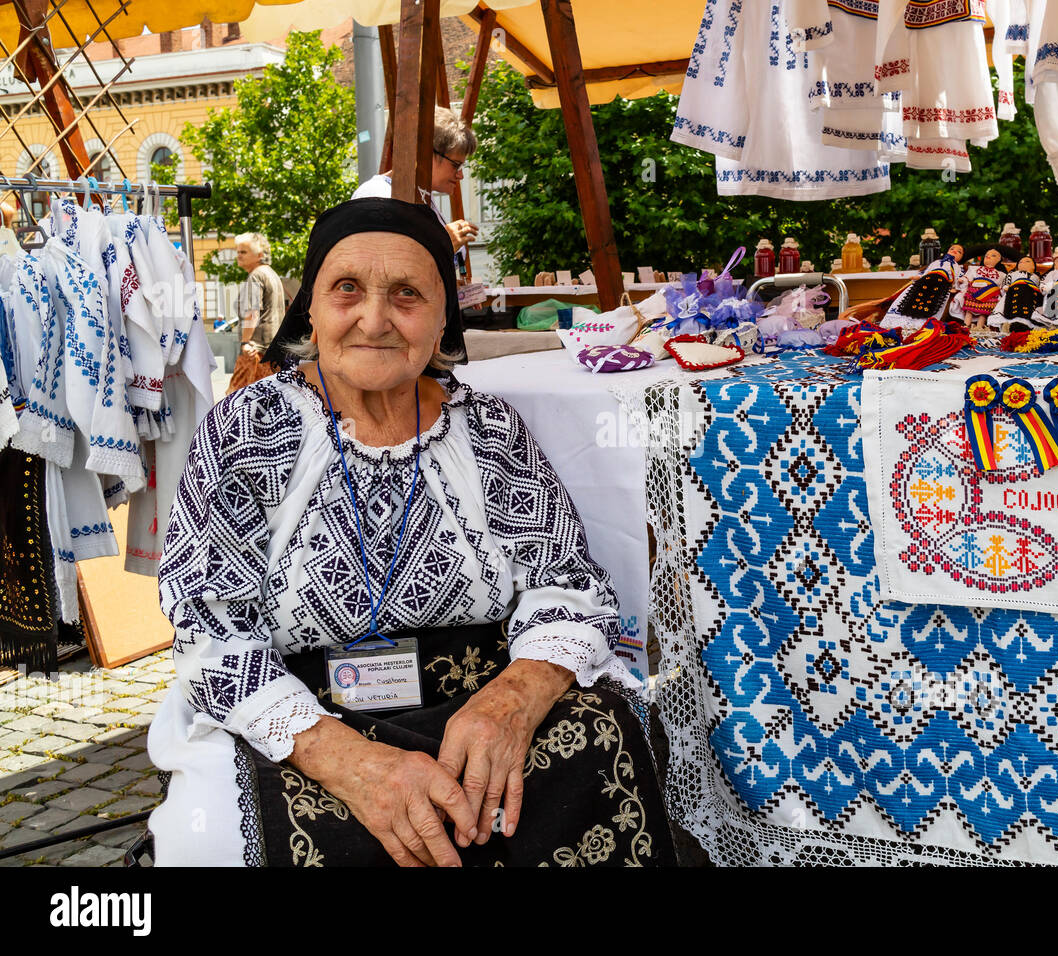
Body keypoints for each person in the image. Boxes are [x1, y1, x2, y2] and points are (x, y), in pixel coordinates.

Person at [146, 198, 675, 867]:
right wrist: (346, 759)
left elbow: (566, 580)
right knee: (209, 833)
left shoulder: (488, 429)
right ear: (310, 307)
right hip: (304, 712)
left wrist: (511, 704)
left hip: (477, 701)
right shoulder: (249, 431)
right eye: (346, 290)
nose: (374, 319)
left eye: (406, 294)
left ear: (441, 318)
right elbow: (207, 624)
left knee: (607, 746)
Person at [353, 105, 480, 258]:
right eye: (455, 165)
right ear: (426, 153)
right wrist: (442, 245)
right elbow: (381, 266)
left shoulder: (422, 197)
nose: (460, 175)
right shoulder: (376, 195)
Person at [226, 232, 285, 394]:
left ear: (259, 255)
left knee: (235, 403)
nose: (238, 256)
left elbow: (252, 312)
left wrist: (245, 342)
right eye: (237, 252)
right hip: (271, 352)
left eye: (243, 252)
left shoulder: (256, 276)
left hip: (255, 352)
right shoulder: (271, 274)